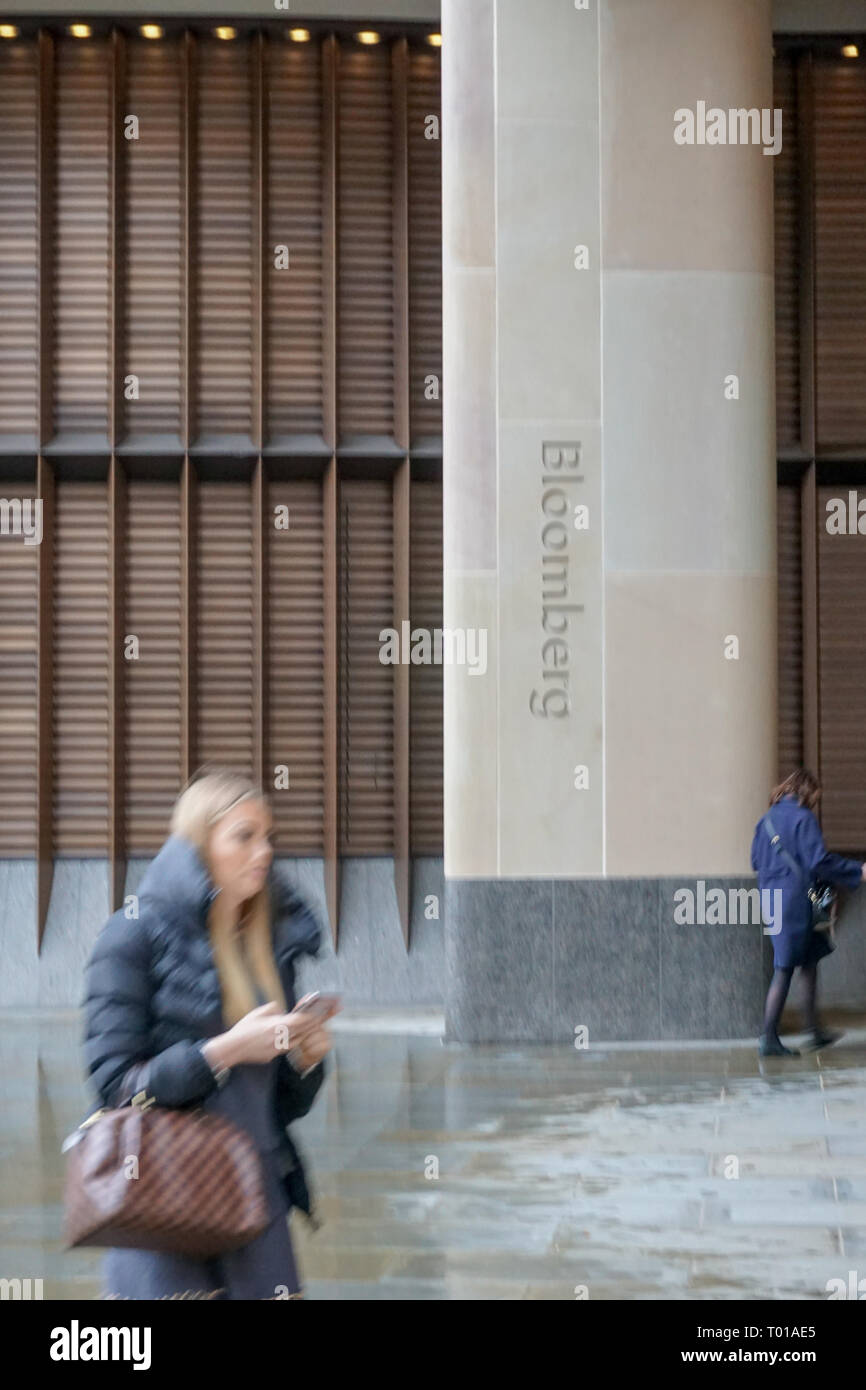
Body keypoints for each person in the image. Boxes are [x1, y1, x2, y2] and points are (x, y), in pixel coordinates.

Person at [82, 767, 336, 1299]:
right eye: (244, 836)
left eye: (268, 837)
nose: (263, 851)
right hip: (166, 1203)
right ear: (199, 845)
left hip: (254, 1203)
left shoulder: (267, 945)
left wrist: (304, 1061)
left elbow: (275, 1106)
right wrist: (222, 1052)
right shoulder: (132, 933)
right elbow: (116, 1085)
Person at [751, 768, 866, 1057]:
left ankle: (813, 1030)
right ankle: (768, 1037)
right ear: (807, 792)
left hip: (773, 898)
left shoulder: (764, 822)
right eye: (815, 796)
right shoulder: (804, 818)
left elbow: (755, 860)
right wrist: (856, 871)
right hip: (797, 900)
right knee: (785, 967)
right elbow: (819, 861)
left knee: (810, 957)